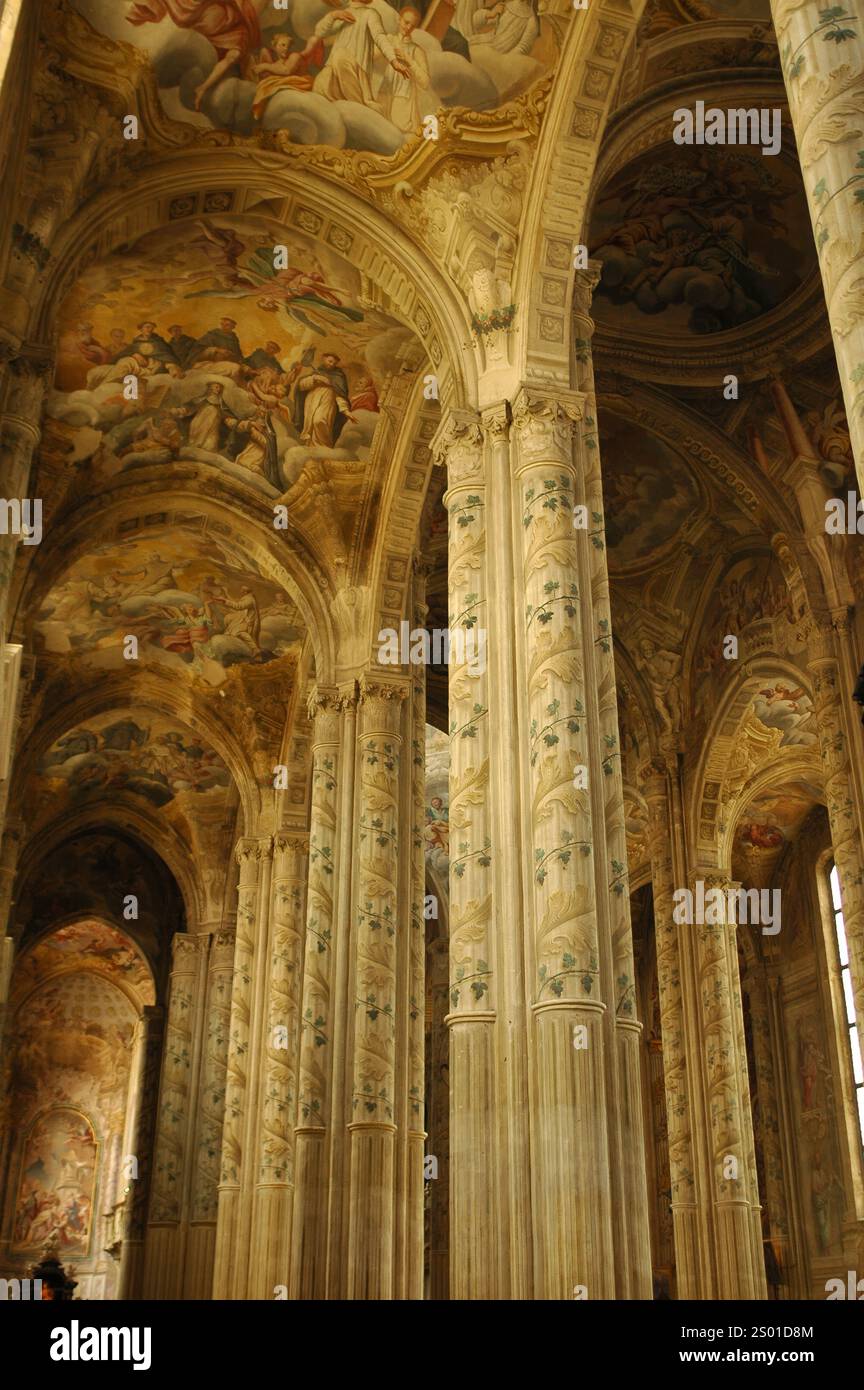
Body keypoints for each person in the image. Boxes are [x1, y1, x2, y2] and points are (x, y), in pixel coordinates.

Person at [126, 0, 263, 111]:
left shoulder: (239, 41)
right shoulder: (232, 20)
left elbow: (224, 63)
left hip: (198, 34)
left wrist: (203, 87)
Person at [313, 0, 410, 109]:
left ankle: (363, 105)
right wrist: (333, 15)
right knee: (319, 86)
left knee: (340, 56)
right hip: (334, 68)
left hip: (355, 69)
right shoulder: (345, 13)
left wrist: (393, 60)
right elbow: (319, 32)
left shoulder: (370, 14)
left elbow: (380, 37)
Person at [377, 6, 429, 134]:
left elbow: (425, 82)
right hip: (384, 94)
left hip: (403, 102)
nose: (408, 28)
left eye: (413, 25)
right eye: (406, 22)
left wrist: (409, 60)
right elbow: (369, 57)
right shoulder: (389, 40)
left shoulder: (417, 50)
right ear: (399, 20)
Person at [251, 32, 324, 120]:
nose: (286, 48)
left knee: (269, 83)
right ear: (274, 46)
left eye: (288, 46)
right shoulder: (279, 62)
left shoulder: (294, 56)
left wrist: (265, 66)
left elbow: (287, 71)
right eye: (283, 45)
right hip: (291, 82)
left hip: (301, 82)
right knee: (266, 83)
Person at [292, 353, 354, 448]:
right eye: (330, 361)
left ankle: (324, 446)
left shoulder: (338, 376)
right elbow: (301, 386)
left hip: (327, 401)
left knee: (319, 420)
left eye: (334, 363)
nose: (331, 364)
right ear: (324, 359)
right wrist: (315, 379)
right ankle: (312, 447)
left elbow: (340, 394)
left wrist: (345, 410)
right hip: (311, 402)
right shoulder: (317, 372)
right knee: (311, 423)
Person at [170, 381, 234, 452]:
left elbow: (226, 414)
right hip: (199, 424)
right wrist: (180, 410)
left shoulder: (221, 404)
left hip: (213, 428)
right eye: (216, 387)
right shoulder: (202, 399)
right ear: (210, 387)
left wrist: (230, 420)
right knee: (195, 445)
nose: (218, 389)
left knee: (210, 445)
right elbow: (190, 406)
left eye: (220, 388)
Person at [117, 412, 184, 468]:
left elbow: (175, 447)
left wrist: (162, 440)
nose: (165, 426)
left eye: (168, 425)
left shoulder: (175, 433)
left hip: (157, 448)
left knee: (132, 458)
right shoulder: (154, 425)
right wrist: (137, 440)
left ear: (173, 425)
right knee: (126, 450)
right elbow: (137, 433)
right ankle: (117, 464)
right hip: (146, 444)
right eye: (164, 424)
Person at [472, 0, 539, 53]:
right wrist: (490, 14)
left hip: (502, 58)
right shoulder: (505, 6)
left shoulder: (532, 20)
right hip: (485, 44)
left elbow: (523, 48)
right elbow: (475, 22)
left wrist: (503, 60)